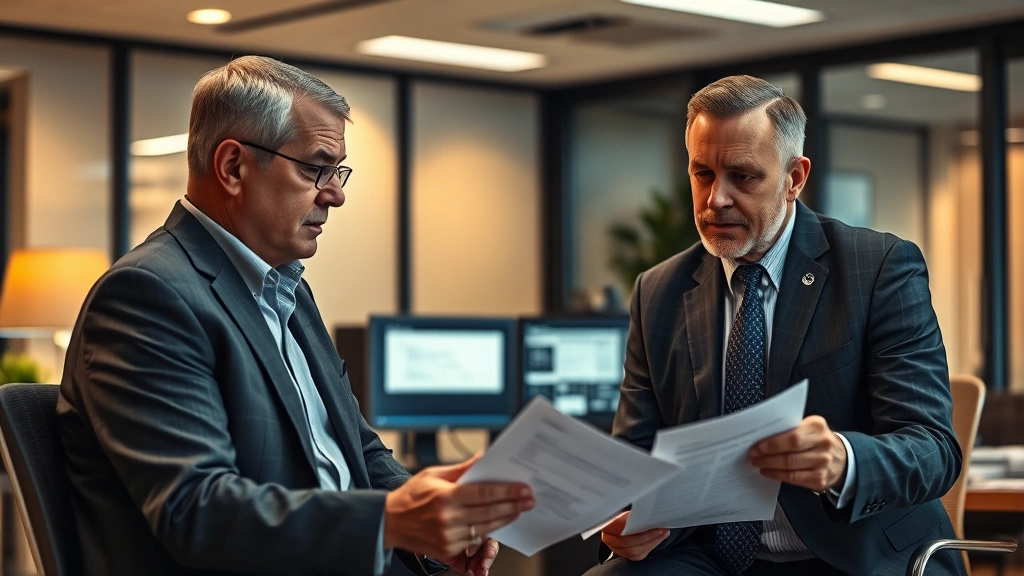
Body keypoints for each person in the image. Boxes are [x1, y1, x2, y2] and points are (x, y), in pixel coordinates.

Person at [57, 55, 534, 576]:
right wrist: (391, 520)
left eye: (337, 171)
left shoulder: (287, 290)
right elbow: (197, 511)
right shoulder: (147, 295)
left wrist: (433, 519)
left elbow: (358, 450)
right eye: (315, 169)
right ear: (233, 167)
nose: (337, 194)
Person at [585, 75, 964, 576]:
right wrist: (621, 517)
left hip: (853, 552)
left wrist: (843, 460)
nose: (716, 199)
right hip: (713, 555)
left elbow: (932, 447)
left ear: (795, 177)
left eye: (743, 177)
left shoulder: (878, 268)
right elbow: (636, 456)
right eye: (702, 174)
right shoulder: (658, 290)